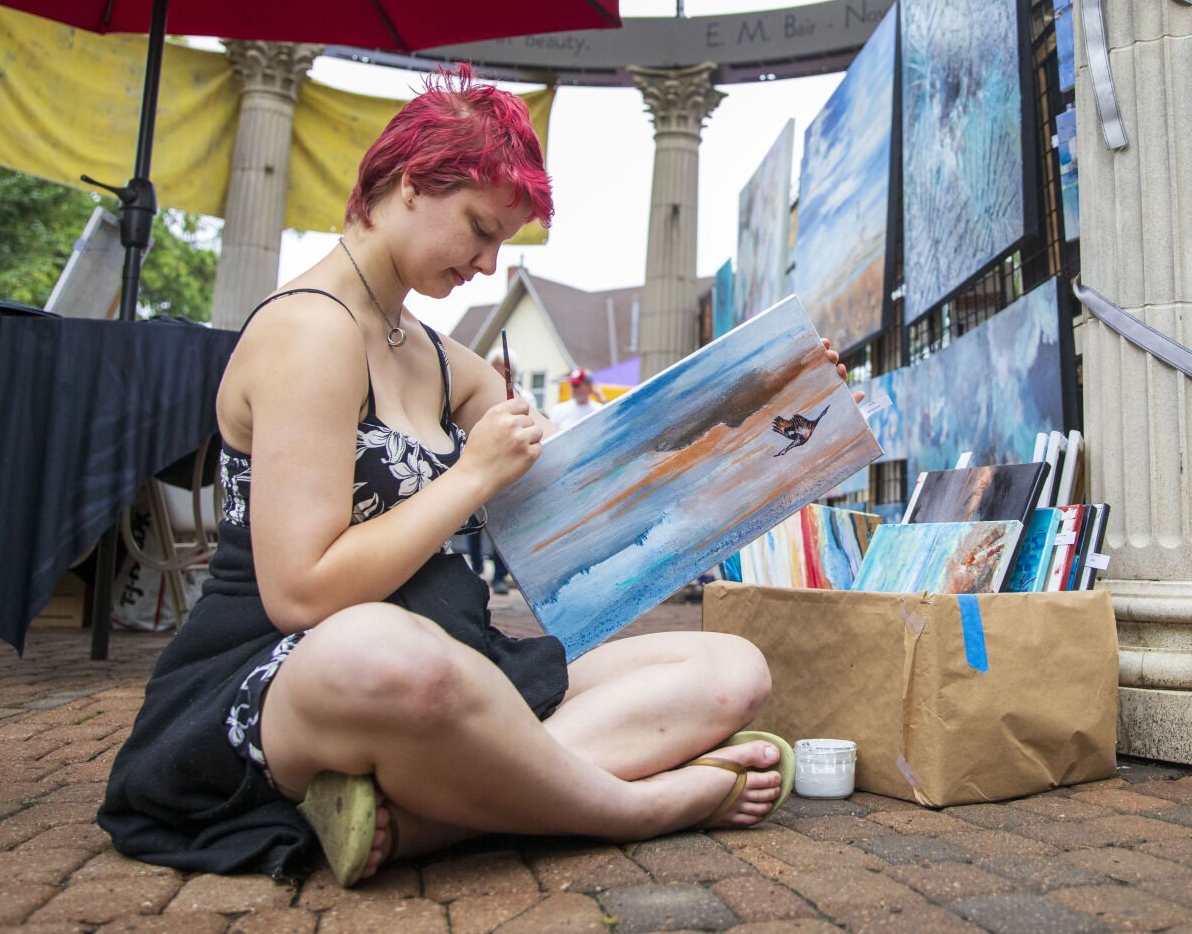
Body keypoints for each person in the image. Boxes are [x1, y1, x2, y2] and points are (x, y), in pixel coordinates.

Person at [98, 67, 846, 886]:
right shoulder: (310, 331)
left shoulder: (428, 350)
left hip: (462, 664)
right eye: (480, 230)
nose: (489, 265)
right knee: (387, 653)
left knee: (731, 669)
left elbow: (586, 480)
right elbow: (301, 595)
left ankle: (419, 824)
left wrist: (779, 398)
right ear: (412, 184)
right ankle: (636, 805)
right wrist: (470, 475)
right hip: (300, 665)